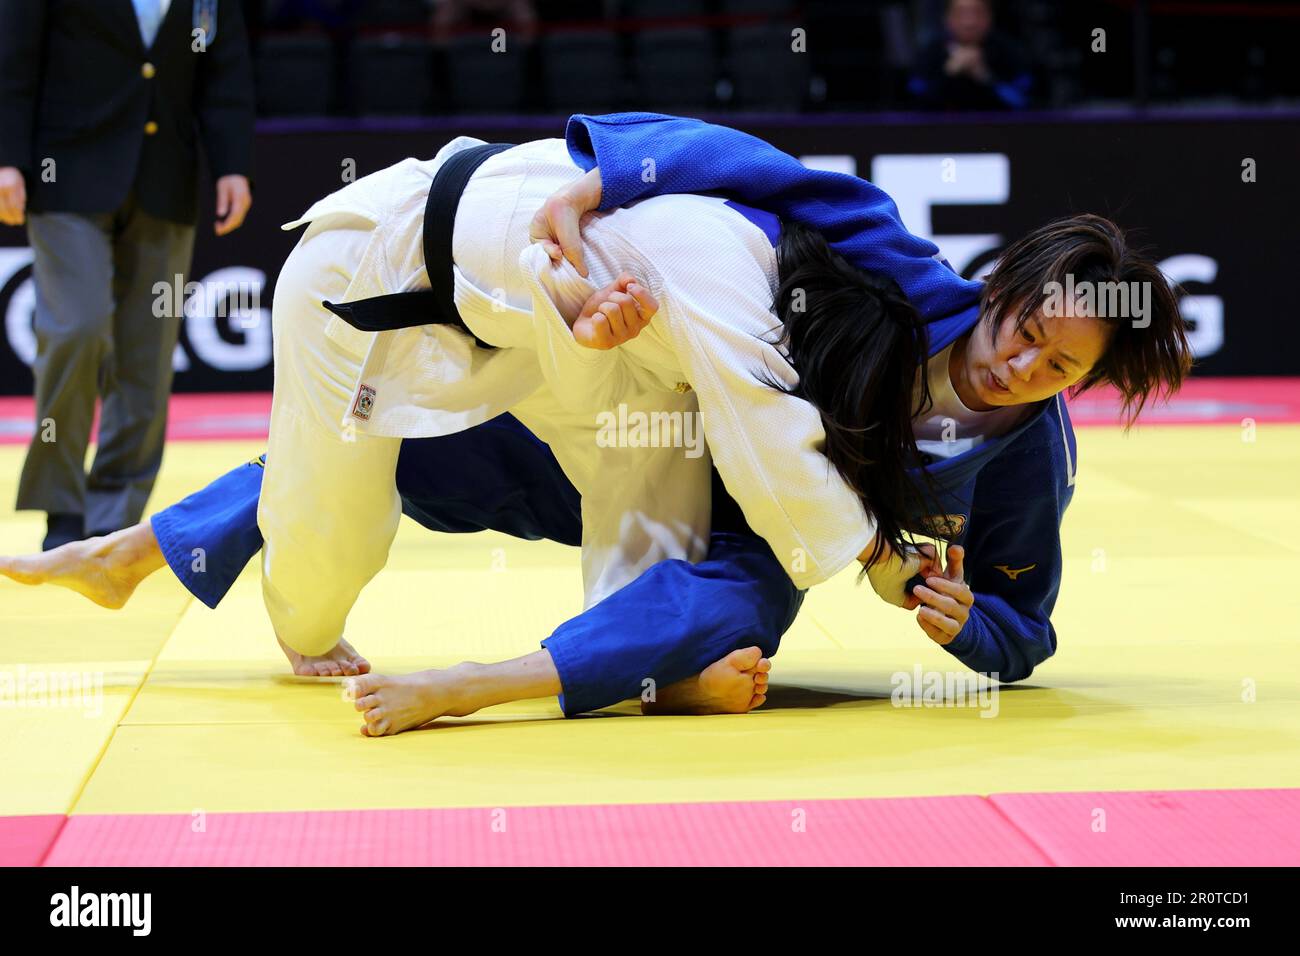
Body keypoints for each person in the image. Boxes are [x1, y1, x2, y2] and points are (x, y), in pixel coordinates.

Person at [2, 114, 1192, 736]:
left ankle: (488, 681)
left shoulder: (1028, 454)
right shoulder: (899, 269)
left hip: (757, 525)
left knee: (741, 610)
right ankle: (139, 549)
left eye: (1057, 368)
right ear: (1002, 290)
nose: (1020, 366)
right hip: (673, 420)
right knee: (411, 445)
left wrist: (970, 627)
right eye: (1024, 331)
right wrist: (603, 176)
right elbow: (754, 168)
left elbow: (1025, 629)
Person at [0, 0, 255, 550]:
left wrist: (232, 164)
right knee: (77, 330)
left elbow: (225, 67)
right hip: (64, 174)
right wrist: (6, 157)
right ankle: (61, 507)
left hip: (166, 176)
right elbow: (12, 57)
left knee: (148, 351)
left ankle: (113, 514)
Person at [908, 0, 1033, 111]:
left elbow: (1024, 103)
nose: (969, 22)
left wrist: (985, 77)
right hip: (940, 133)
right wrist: (948, 72)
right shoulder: (930, 52)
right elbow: (915, 104)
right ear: (947, 18)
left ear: (990, 17)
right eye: (960, 13)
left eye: (978, 13)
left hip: (1000, 133)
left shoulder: (1010, 52)